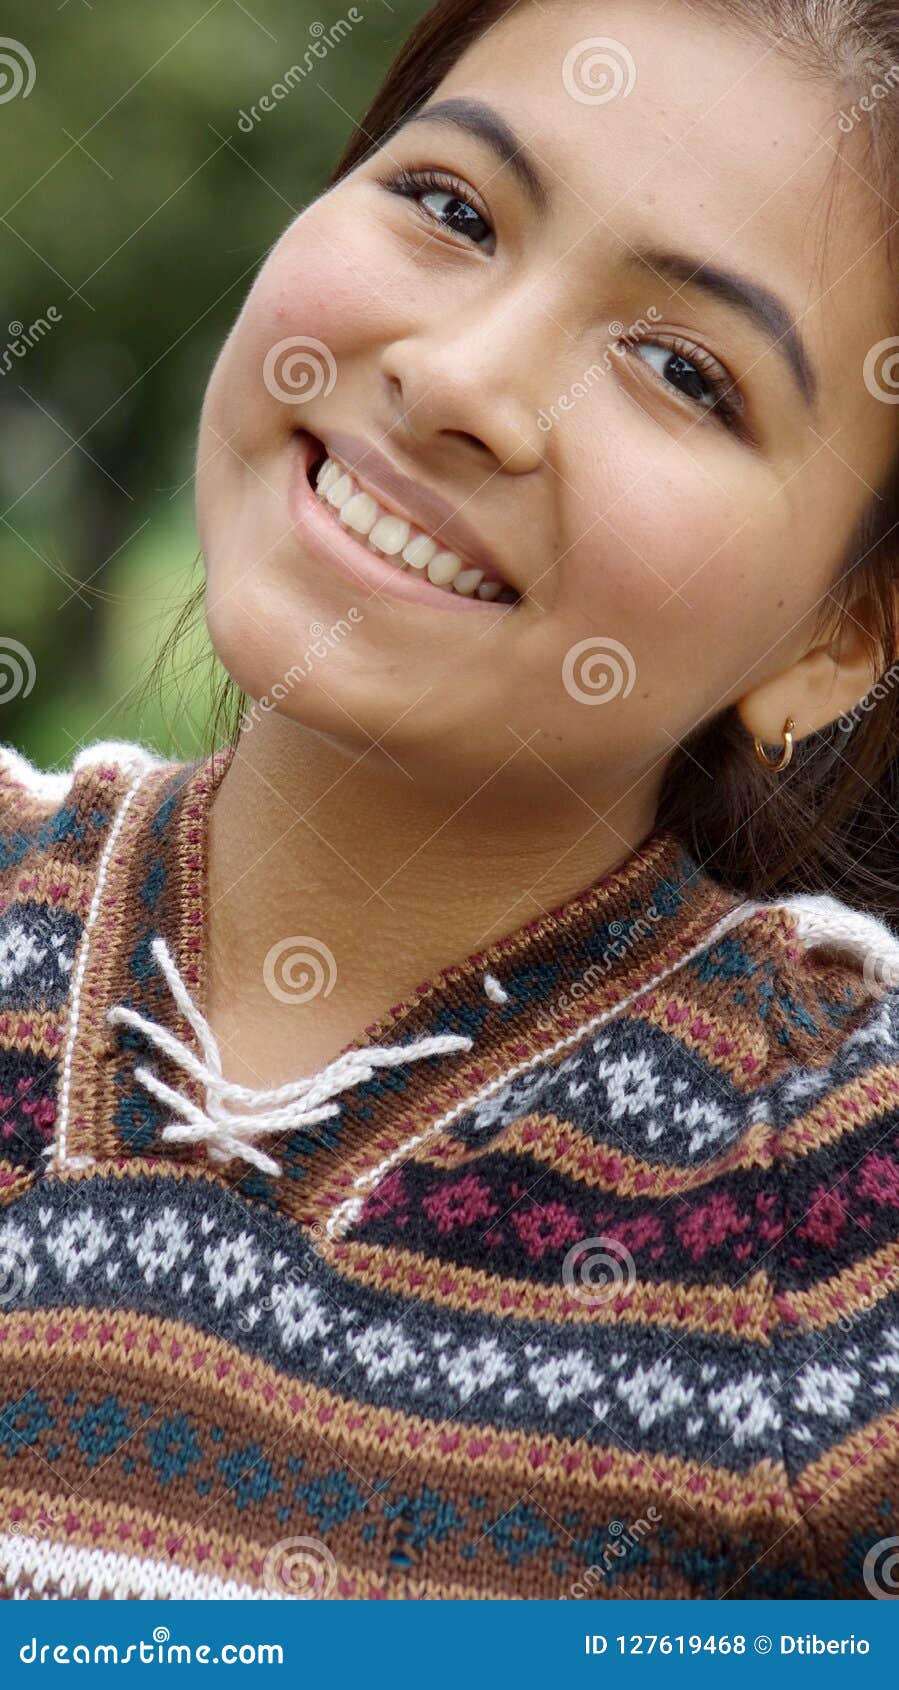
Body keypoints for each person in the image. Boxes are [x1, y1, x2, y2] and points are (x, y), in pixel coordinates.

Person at [1, 0, 898, 1601]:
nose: (459, 380)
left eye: (683, 371)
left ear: (838, 641)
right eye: (453, 209)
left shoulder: (836, 1218)